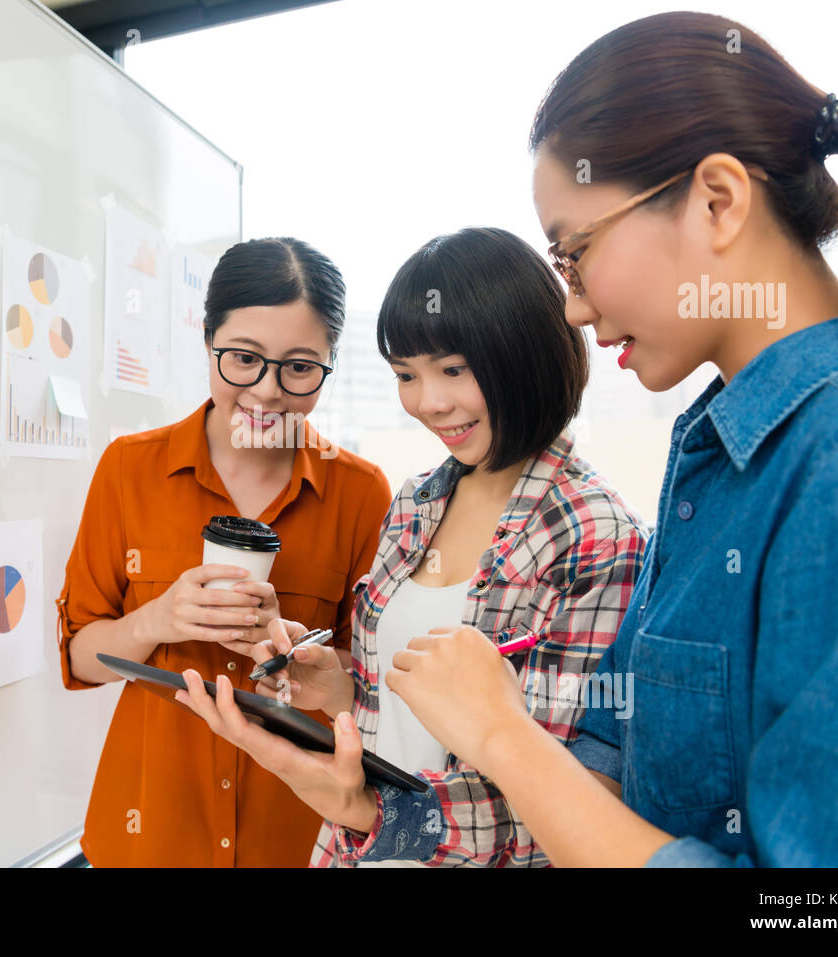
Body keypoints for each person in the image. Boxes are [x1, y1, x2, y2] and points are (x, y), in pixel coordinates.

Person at [379, 12, 838, 866]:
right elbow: (610, 771)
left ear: (717, 201)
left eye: (576, 253)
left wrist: (500, 731)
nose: (571, 304)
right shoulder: (710, 458)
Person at [177, 227, 647, 867]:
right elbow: (401, 717)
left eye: (453, 369)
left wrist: (374, 814)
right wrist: (339, 689)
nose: (429, 402)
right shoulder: (417, 502)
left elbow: (565, 801)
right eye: (407, 374)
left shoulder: (594, 536)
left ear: (526, 353)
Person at [57, 237, 392, 866]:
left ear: (329, 363)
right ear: (208, 339)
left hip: (300, 838)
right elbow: (83, 658)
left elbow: (371, 683)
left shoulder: (360, 491)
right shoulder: (130, 469)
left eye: (299, 367)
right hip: (149, 832)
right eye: (243, 358)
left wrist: (308, 660)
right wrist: (157, 620)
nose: (266, 393)